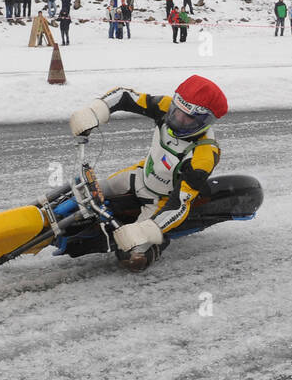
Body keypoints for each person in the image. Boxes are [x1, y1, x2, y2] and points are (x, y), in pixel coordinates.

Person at [66, 75, 230, 271]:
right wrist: (95, 111)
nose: (179, 119)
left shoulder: (203, 155)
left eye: (189, 118)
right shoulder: (167, 106)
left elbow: (180, 204)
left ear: (205, 121)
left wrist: (148, 230)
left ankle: (157, 244)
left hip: (161, 200)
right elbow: (125, 96)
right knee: (83, 191)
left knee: (130, 257)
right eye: (177, 112)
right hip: (140, 176)